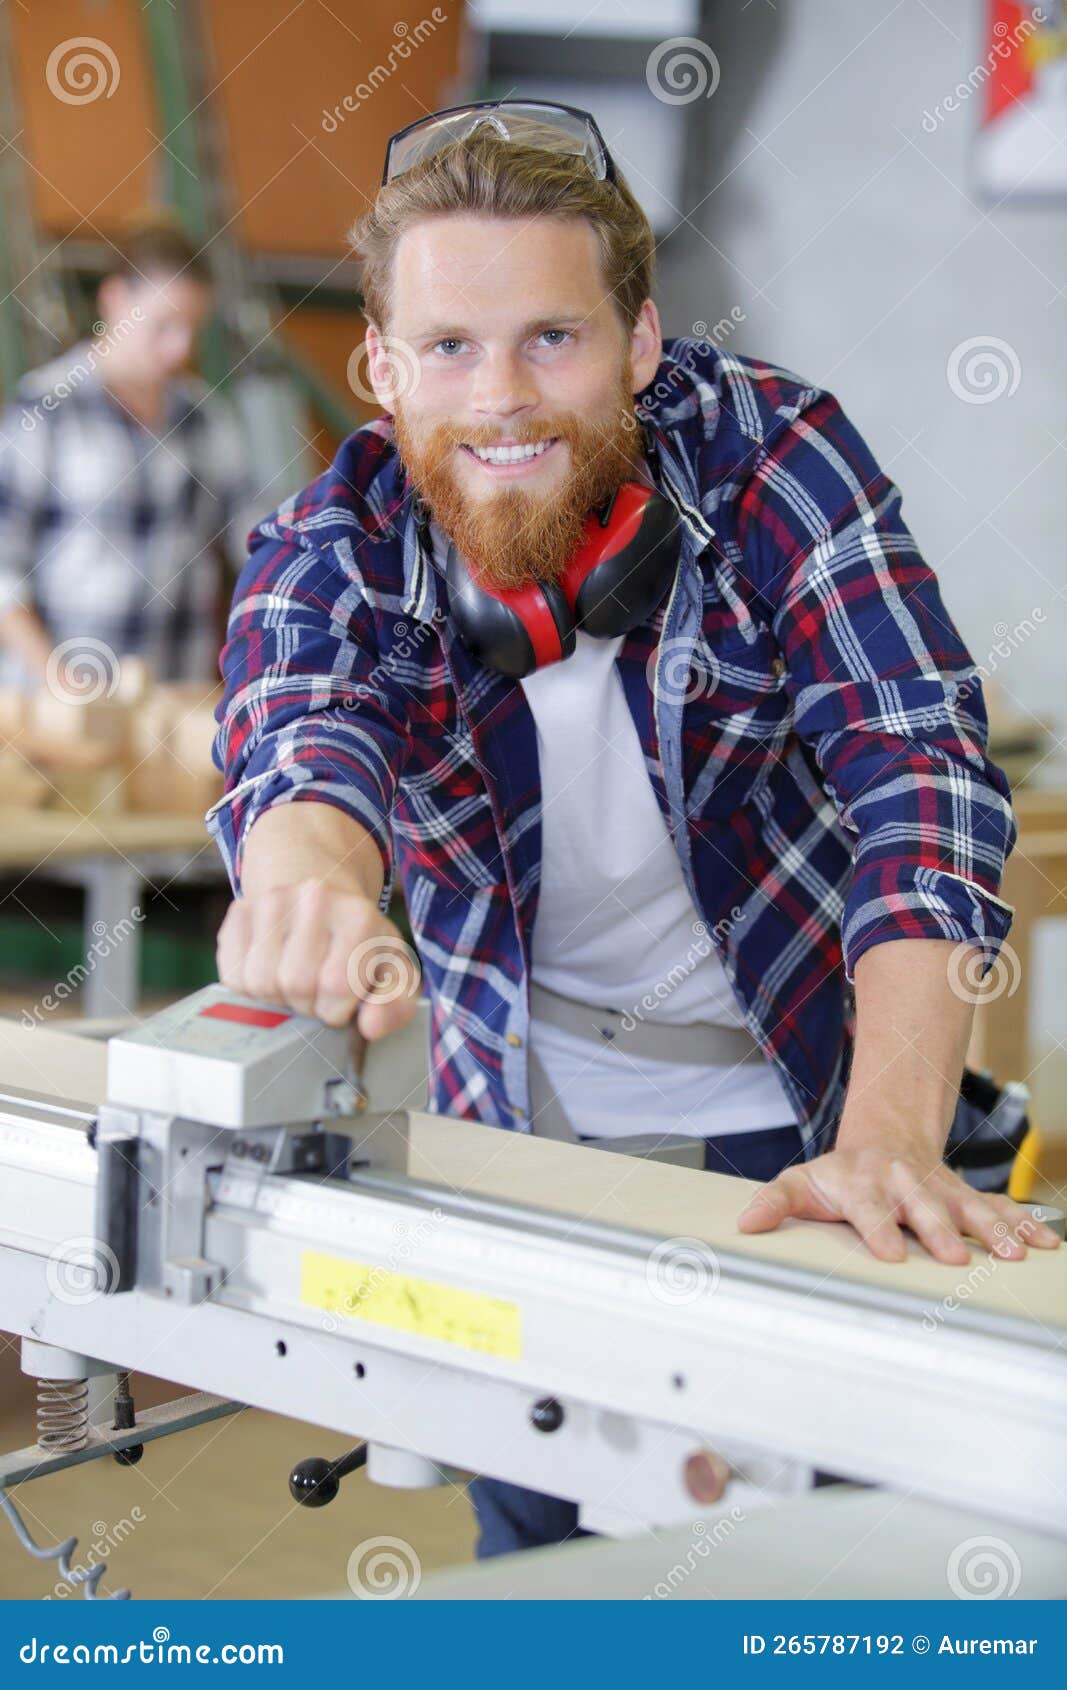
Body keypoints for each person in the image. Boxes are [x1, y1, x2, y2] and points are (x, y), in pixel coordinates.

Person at [206, 103, 1060, 1558]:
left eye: (552, 339)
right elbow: (300, 734)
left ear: (640, 342)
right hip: (519, 1128)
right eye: (451, 349)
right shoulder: (333, 540)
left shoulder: (772, 458)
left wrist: (890, 1141)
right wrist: (309, 883)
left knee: (830, 1564)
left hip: (802, 1113)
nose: (502, 401)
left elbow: (913, 771)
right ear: (380, 367)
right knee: (539, 1565)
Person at [0, 213, 256, 691]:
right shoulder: (46, 410)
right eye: (163, 326)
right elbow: (2, 569)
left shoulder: (206, 420)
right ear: (116, 300)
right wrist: (60, 680)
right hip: (51, 713)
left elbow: (256, 543)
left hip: (169, 707)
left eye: (190, 329)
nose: (178, 349)